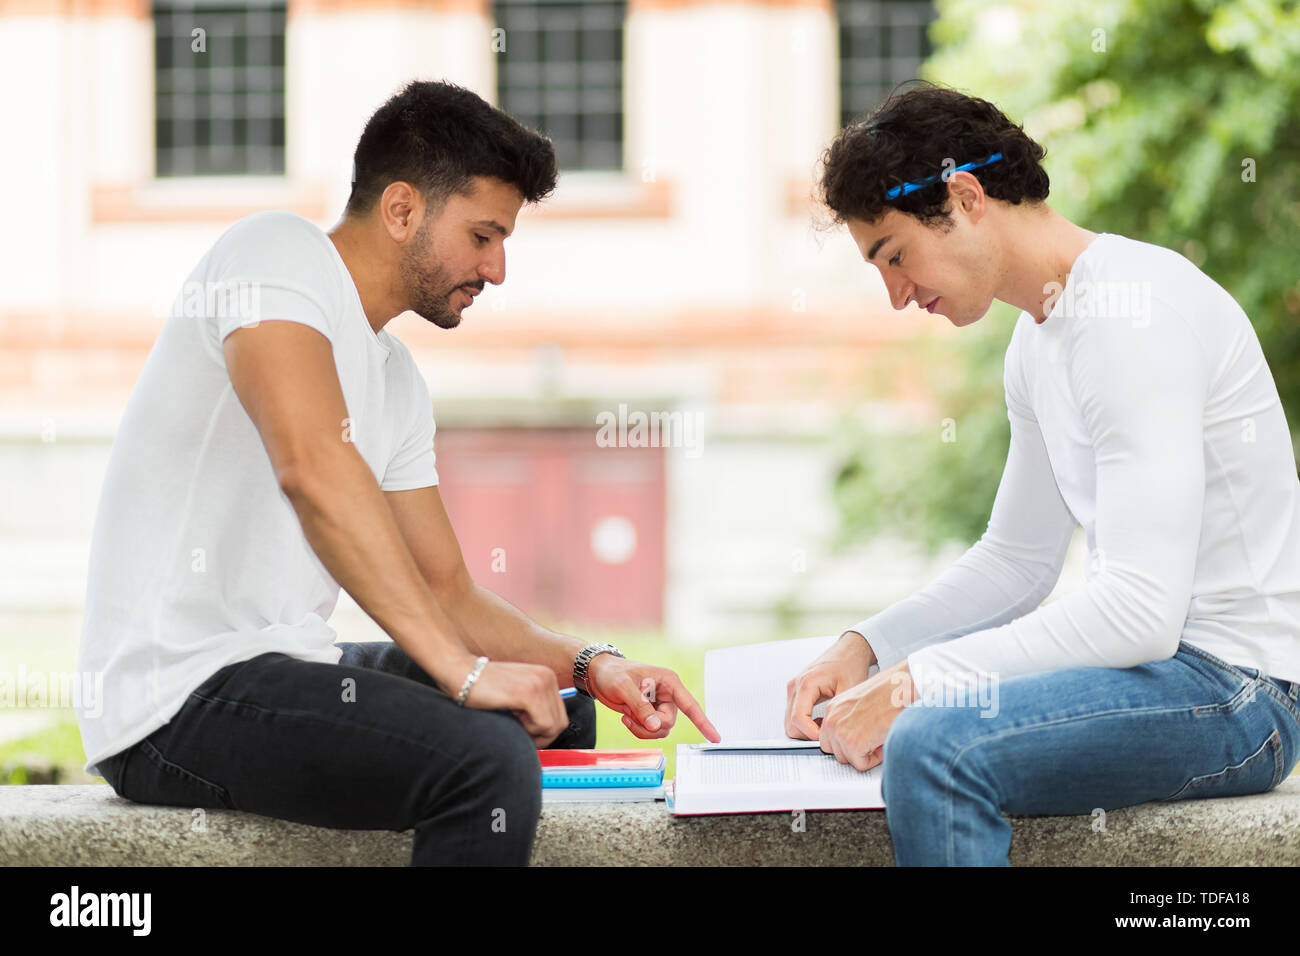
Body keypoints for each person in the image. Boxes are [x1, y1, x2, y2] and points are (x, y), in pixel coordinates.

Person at [77, 79, 719, 867]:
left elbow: (446, 590)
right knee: (486, 761)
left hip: (283, 665)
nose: (500, 268)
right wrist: (463, 674)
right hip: (171, 698)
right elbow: (312, 467)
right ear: (403, 209)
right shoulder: (274, 255)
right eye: (484, 235)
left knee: (558, 709)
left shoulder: (393, 376)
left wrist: (595, 664)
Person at [785, 83, 1300, 865]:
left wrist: (917, 681)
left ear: (964, 197)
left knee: (938, 744)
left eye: (894, 255)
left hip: (1241, 692)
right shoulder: (1038, 340)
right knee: (926, 721)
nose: (895, 296)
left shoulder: (1132, 316)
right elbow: (1018, 561)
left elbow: (1139, 612)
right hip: (1165, 676)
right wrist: (869, 646)